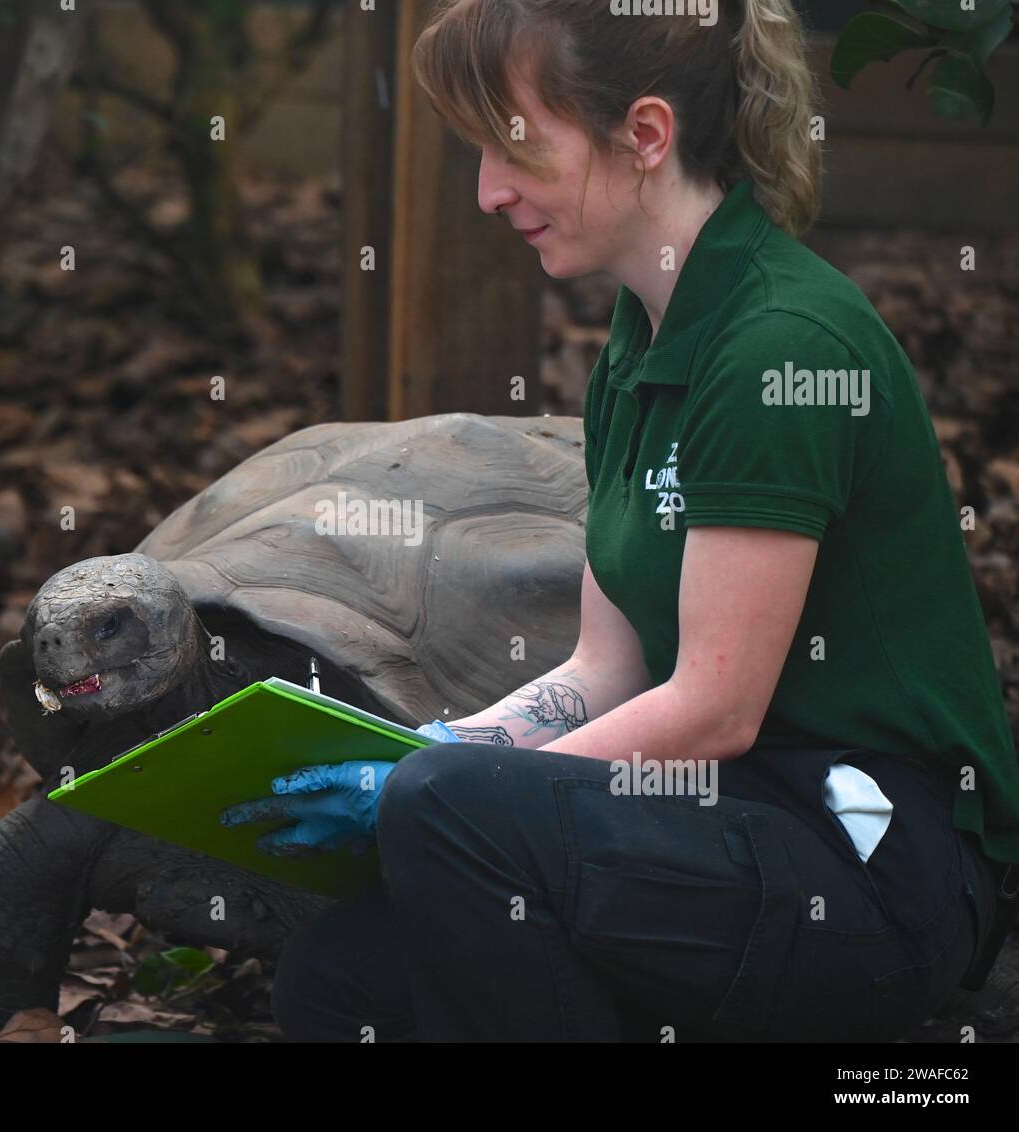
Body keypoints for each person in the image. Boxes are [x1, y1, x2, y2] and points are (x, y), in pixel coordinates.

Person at [218, 0, 1019, 1041]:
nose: (487, 192)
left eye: (512, 149)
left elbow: (712, 709)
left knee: (445, 813)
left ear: (644, 135)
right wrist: (445, 741)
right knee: (341, 980)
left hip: (869, 868)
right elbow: (609, 666)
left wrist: (437, 785)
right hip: (729, 822)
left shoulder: (783, 344)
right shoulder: (643, 332)